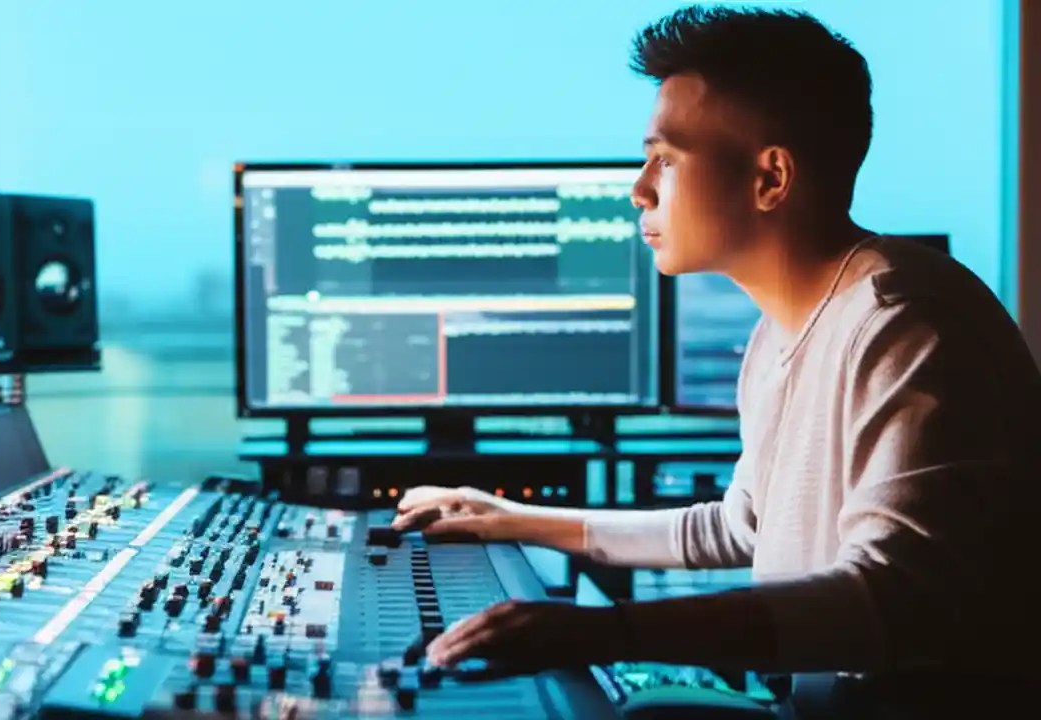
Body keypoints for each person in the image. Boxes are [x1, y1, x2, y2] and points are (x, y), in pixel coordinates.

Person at [393, 4, 1040, 716]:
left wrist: (606, 633)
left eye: (664, 159)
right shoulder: (778, 334)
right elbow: (739, 528)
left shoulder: (908, 324)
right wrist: (511, 518)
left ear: (771, 179)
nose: (638, 188)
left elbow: (891, 601)